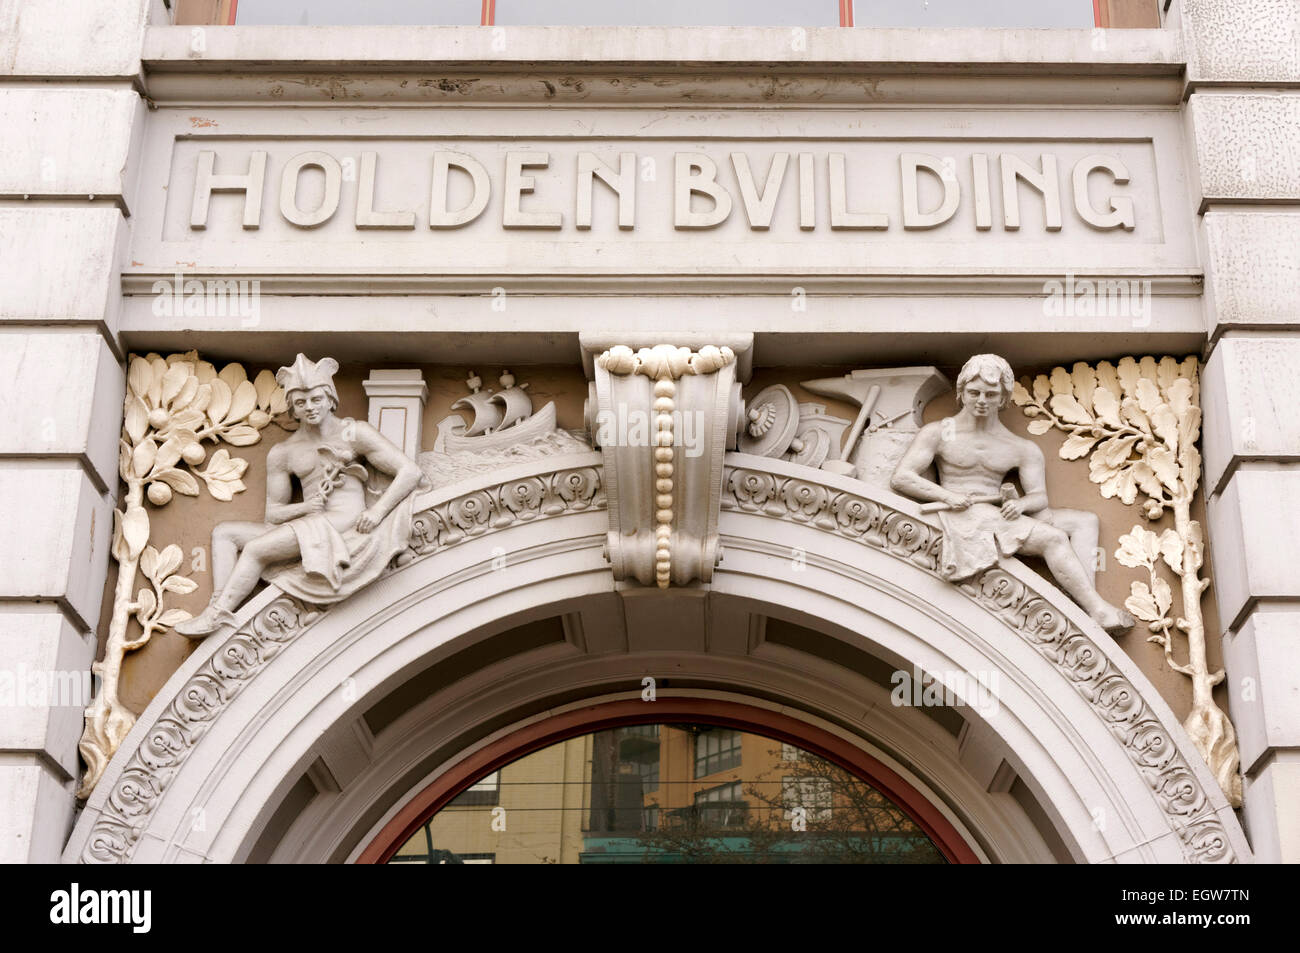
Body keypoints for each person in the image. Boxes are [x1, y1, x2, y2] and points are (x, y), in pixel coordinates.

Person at [175, 354, 424, 638]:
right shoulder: (284, 452)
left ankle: (217, 616)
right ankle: (218, 602)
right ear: (292, 408)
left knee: (256, 550)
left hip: (343, 520)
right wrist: (306, 507)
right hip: (312, 519)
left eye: (316, 399)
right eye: (301, 402)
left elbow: (409, 472)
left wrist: (376, 512)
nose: (310, 408)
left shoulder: (355, 434)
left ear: (330, 398)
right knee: (225, 533)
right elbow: (274, 514)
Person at [890, 353, 1134, 636]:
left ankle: (1082, 600)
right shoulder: (939, 432)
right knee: (1053, 538)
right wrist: (946, 497)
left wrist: (1019, 504)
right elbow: (902, 478)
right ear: (961, 393)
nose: (981, 400)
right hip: (965, 512)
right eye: (974, 392)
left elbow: (1038, 498)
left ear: (1003, 398)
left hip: (997, 511)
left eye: (991, 394)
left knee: (1086, 521)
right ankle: (1096, 609)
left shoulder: (1019, 447)